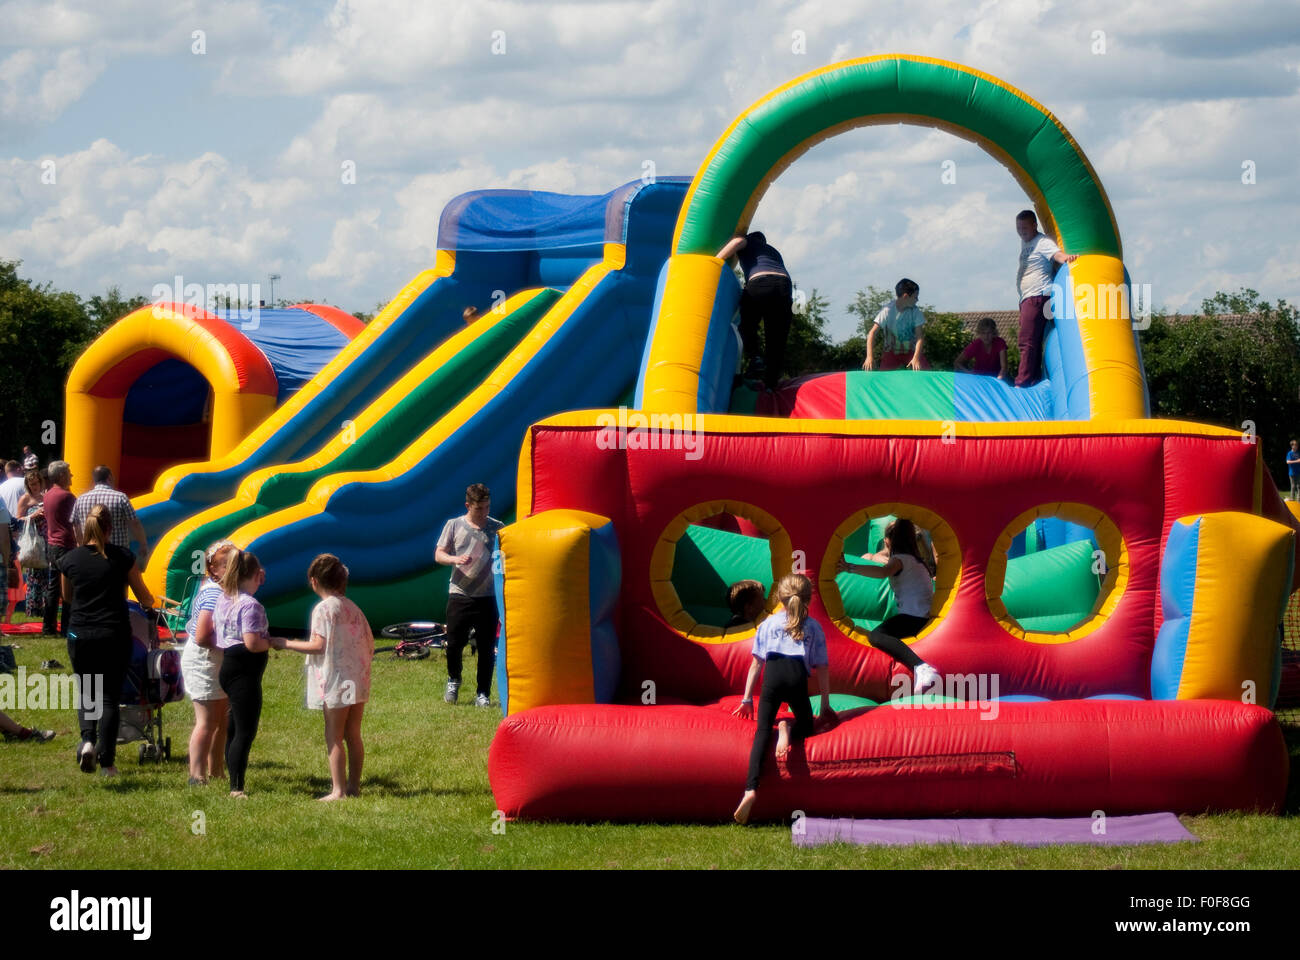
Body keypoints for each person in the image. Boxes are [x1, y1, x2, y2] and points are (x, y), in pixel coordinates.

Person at [58, 504, 155, 776]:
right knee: (110, 698)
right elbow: (143, 595)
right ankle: (108, 762)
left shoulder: (71, 559)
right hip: (114, 632)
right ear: (111, 528)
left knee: (88, 690)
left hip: (81, 633)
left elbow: (67, 597)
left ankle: (88, 739)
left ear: (84, 527)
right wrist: (149, 604)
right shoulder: (123, 557)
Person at [732, 574, 835, 825]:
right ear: (809, 599)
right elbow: (822, 668)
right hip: (797, 677)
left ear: (779, 598)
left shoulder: (768, 623)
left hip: (773, 677)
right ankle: (788, 727)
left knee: (762, 732)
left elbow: (757, 662)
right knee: (808, 726)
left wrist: (747, 699)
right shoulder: (813, 627)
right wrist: (824, 703)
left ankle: (750, 789)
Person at [272, 554, 374, 801]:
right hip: (357, 679)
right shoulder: (353, 608)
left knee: (334, 735)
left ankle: (337, 791)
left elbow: (318, 645)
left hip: (336, 679)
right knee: (353, 734)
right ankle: (353, 787)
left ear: (314, 581)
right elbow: (369, 642)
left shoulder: (323, 609)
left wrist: (284, 643)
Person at [836, 518, 942, 695]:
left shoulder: (900, 559)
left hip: (913, 618)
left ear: (889, 541)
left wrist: (849, 567)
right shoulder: (918, 561)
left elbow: (882, 572)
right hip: (922, 617)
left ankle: (922, 667)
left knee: (876, 635)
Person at [213, 549, 281, 798]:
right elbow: (252, 642)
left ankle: (233, 777)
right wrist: (272, 642)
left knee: (234, 727)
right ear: (253, 575)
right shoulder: (250, 605)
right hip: (245, 671)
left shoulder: (224, 598)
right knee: (245, 731)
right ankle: (236, 787)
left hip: (228, 664)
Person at [435, 483, 504, 707]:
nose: (484, 513)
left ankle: (482, 693)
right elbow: (439, 554)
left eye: (487, 507)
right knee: (454, 642)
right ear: (468, 506)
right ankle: (454, 679)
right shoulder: (454, 525)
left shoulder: (497, 527)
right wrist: (455, 559)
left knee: (486, 647)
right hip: (460, 593)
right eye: (479, 509)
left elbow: (504, 557)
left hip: (488, 597)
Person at [180, 540, 236, 786]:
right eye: (227, 566)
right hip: (204, 661)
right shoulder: (213, 593)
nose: (233, 570)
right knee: (207, 721)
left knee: (222, 720)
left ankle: (217, 770)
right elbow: (203, 636)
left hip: (216, 660)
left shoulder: (225, 590)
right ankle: (197, 774)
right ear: (213, 569)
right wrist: (232, 640)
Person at [717, 231, 794, 390]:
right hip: (784, 286)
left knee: (746, 325)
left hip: (761, 282)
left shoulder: (749, 241)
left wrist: (716, 261)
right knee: (776, 338)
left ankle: (756, 358)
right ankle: (771, 386)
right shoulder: (773, 251)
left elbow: (737, 242)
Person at [1014, 210, 1078, 387]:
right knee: (1031, 340)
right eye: (1018, 228)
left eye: (1025, 227)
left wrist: (1067, 258)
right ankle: (1032, 379)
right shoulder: (1025, 241)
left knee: (1026, 340)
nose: (1021, 232)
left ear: (1034, 225)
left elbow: (1056, 254)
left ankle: (1023, 381)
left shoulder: (1041, 242)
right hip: (1028, 297)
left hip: (1038, 295)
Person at [70, 466, 150, 562]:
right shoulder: (120, 498)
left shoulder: (81, 499)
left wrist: (81, 545)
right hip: (118, 553)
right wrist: (143, 544)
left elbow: (76, 525)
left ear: (94, 479)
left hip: (91, 552)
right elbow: (134, 523)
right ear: (109, 478)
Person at [41, 462, 76, 636]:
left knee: (54, 588)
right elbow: (75, 522)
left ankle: (48, 626)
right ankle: (66, 628)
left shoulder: (48, 495)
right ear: (61, 475)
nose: (71, 476)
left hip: (52, 545)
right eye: (69, 473)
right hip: (66, 545)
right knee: (68, 589)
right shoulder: (67, 496)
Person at [864, 279, 927, 371]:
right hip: (891, 352)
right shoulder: (888, 311)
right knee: (884, 377)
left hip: (911, 351)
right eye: (915, 297)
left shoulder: (915, 311)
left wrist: (916, 358)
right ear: (905, 296)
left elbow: (920, 337)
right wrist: (869, 357)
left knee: (926, 372)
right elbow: (872, 333)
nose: (917, 300)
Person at [15, 468, 49, 622]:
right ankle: (33, 609)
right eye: (32, 484)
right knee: (34, 575)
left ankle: (46, 608)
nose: (35, 486)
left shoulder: (46, 496)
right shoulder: (25, 499)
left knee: (46, 575)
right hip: (33, 541)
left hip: (46, 539)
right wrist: (32, 515)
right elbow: (18, 519)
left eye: (37, 483)